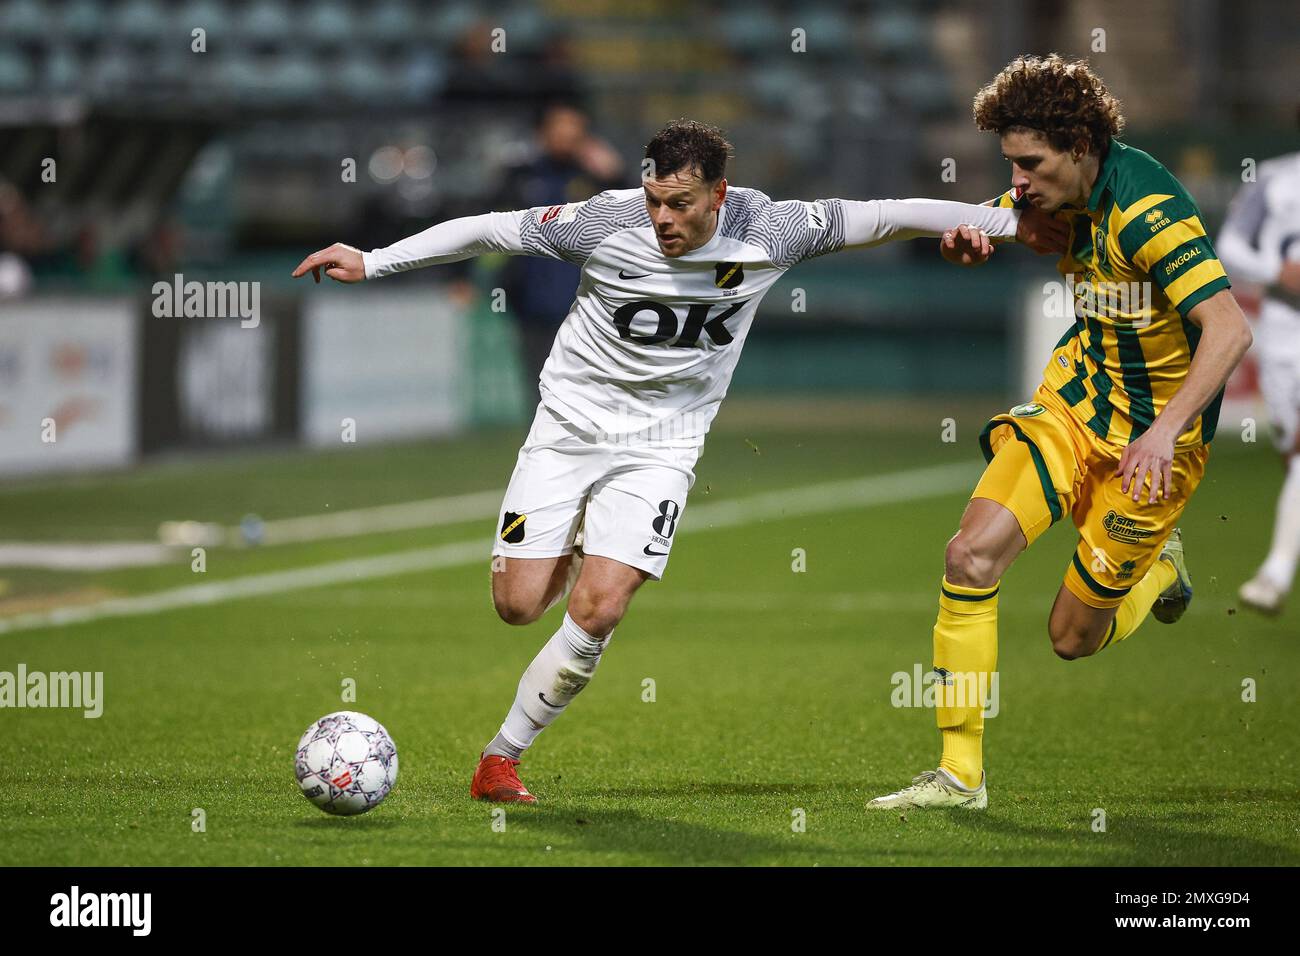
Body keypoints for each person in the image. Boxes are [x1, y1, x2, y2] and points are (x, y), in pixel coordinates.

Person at [293, 118, 1055, 804]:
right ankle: (584, 542)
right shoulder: (602, 220)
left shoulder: (774, 228)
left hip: (663, 443)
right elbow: (489, 230)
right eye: (654, 198)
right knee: (519, 607)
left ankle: (501, 758)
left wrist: (1012, 223)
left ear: (719, 195)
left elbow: (891, 216)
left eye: (680, 204)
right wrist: (375, 259)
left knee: (600, 607)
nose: (662, 218)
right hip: (567, 427)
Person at [868, 56, 1253, 811]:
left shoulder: (1147, 210)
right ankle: (959, 777)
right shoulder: (1052, 193)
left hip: (1156, 443)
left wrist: (1166, 431)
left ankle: (1160, 572)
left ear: (1080, 146)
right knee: (969, 554)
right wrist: (973, 239)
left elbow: (1230, 329)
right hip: (1073, 405)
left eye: (1029, 164)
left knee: (1071, 638)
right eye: (1009, 164)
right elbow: (1014, 223)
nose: (1017, 181)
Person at [1217, 131, 1300, 614]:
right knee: (1293, 455)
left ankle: (1276, 571)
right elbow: (1229, 245)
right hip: (1285, 337)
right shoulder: (1274, 179)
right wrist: (1276, 271)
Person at [497, 103, 624, 394]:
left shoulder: (598, 180)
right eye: (560, 130)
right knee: (543, 388)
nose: (567, 138)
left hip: (592, 305)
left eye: (575, 132)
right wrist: (463, 276)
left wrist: (615, 176)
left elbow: (637, 219)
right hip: (534, 306)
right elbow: (484, 222)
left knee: (595, 391)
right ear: (543, 134)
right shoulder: (520, 177)